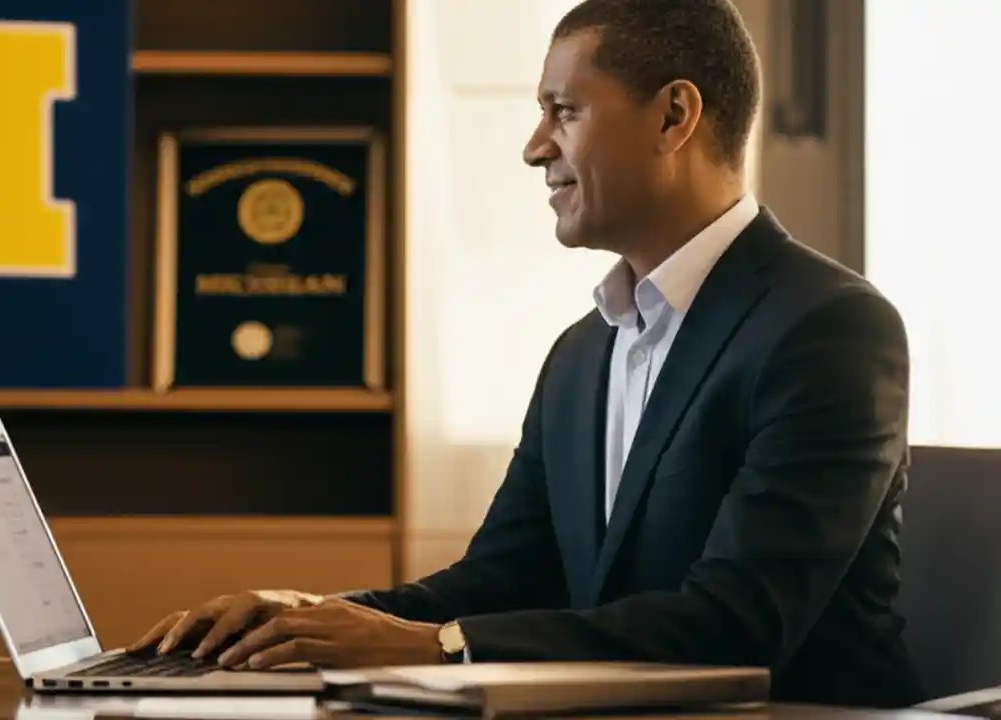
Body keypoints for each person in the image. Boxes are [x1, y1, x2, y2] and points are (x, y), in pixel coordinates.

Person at [131, 0, 920, 708]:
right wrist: (307, 620)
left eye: (563, 111)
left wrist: (437, 647)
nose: (534, 148)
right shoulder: (581, 354)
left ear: (674, 115)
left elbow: (738, 622)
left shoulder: (830, 328)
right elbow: (504, 579)